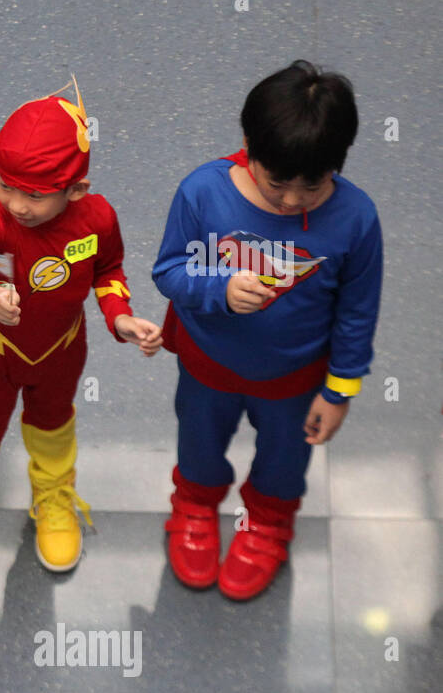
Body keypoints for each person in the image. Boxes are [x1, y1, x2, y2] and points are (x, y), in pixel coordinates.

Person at [153, 60, 382, 600]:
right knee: (199, 447)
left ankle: (268, 526)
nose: (292, 201)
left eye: (314, 184)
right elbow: (168, 272)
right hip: (207, 367)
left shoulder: (357, 218)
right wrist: (220, 290)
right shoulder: (202, 194)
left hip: (298, 380)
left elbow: (357, 310)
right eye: (276, 181)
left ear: (339, 164)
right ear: (248, 146)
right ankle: (194, 508)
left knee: (284, 461)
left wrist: (340, 388)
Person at [0, 82, 162, 575]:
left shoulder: (98, 218)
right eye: (6, 185)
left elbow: (108, 270)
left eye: (34, 194)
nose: (16, 204)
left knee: (53, 424)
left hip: (62, 349)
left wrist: (118, 315)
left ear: (76, 189)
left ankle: (54, 491)